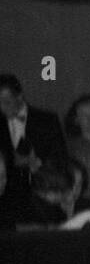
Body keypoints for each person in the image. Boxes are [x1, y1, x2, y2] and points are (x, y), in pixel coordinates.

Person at [0, 73, 67, 202]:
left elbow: (60, 157)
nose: (1, 108)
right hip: (6, 196)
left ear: (19, 96)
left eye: (6, 102)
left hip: (42, 193)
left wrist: (38, 163)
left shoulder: (47, 120)